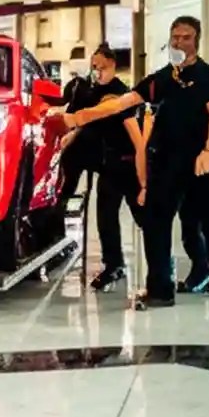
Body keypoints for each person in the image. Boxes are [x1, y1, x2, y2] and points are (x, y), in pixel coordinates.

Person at [57, 16, 209, 307]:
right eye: (175, 36)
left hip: (207, 162)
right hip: (170, 161)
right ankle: (160, 290)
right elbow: (123, 103)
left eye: (185, 37)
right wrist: (80, 117)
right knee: (155, 222)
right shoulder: (162, 79)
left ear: (196, 40)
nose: (179, 42)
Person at [58, 47, 146, 291]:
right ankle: (113, 265)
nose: (96, 70)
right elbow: (85, 120)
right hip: (107, 163)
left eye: (100, 66)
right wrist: (72, 136)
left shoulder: (121, 94)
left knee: (143, 215)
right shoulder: (92, 92)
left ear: (112, 64)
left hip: (127, 162)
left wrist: (143, 176)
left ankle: (159, 264)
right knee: (106, 217)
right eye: (93, 66)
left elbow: (136, 136)